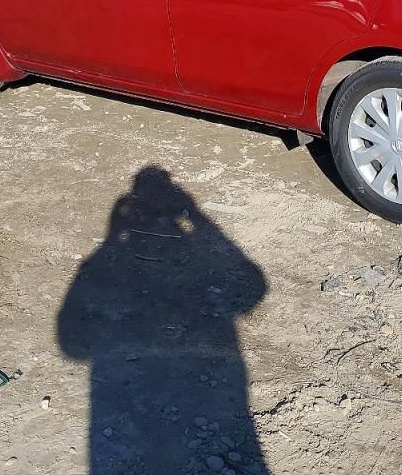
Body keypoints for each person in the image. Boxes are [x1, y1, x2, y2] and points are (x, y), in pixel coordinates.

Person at [58, 166, 269, 474]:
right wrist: (197, 217)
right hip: (213, 385)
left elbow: (71, 345)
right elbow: (254, 287)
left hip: (120, 396)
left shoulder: (103, 261)